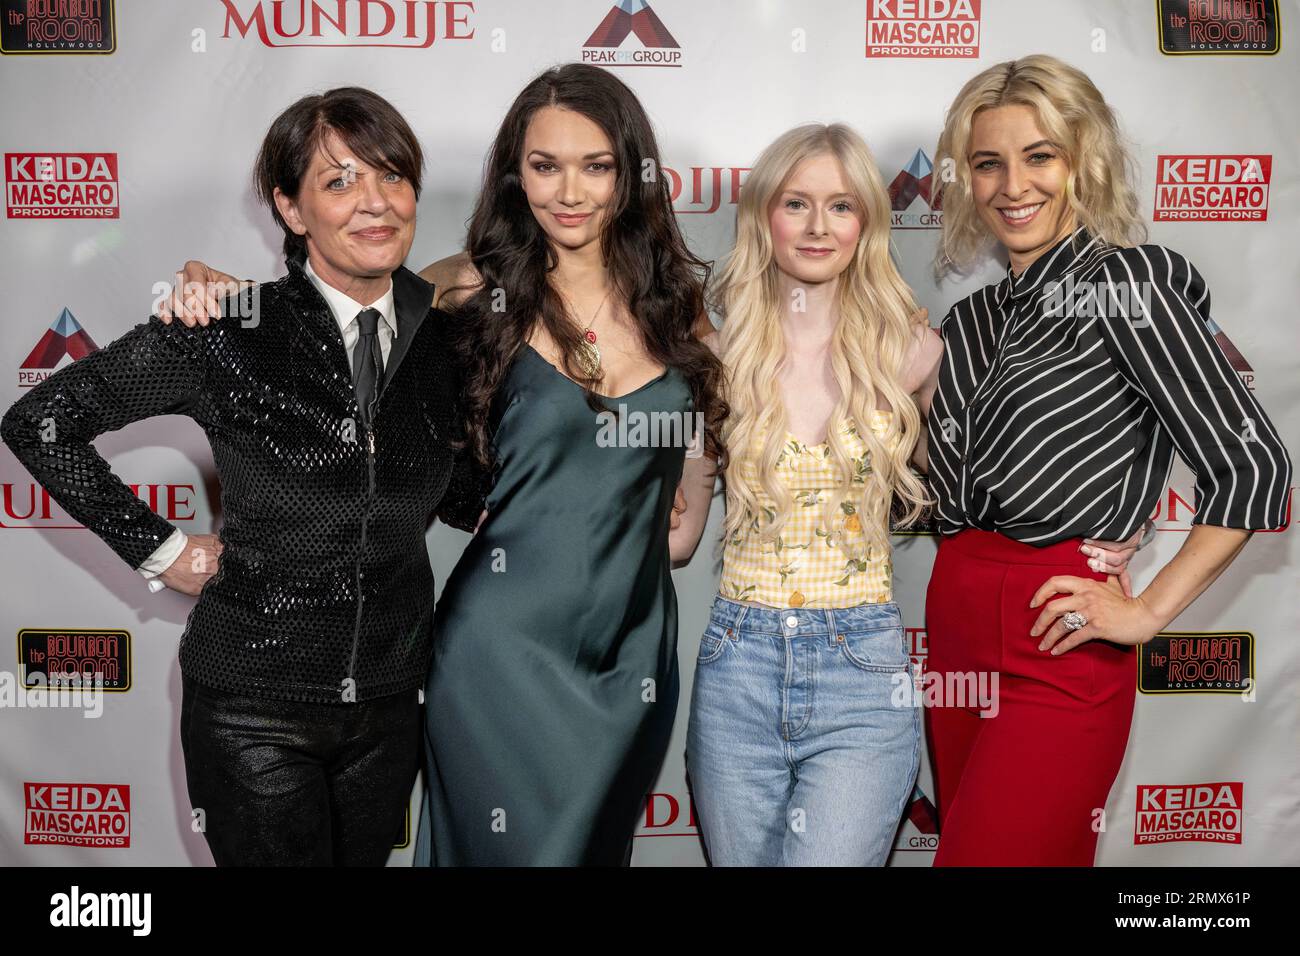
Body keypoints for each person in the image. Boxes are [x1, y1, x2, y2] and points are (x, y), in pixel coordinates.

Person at [155, 64, 726, 866]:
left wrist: (677, 488)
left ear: (630, 173)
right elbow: (325, 317)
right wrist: (223, 295)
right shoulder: (465, 291)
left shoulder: (676, 305)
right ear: (512, 173)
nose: (569, 191)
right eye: (543, 164)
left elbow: (682, 519)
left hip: (631, 654)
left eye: (595, 165)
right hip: (500, 652)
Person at [1, 87, 488, 866]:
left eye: (392, 177)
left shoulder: (444, 343)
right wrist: (164, 552)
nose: (375, 204)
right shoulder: (228, 329)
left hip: (390, 708)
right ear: (290, 211)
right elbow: (41, 423)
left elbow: (465, 497)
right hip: (252, 707)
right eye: (339, 183)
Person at [673, 124, 1142, 866]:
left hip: (862, 672)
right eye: (796, 204)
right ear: (764, 214)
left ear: (867, 223)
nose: (819, 226)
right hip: (736, 667)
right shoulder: (714, 361)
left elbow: (988, 480)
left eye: (841, 206)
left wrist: (1119, 515)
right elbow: (678, 534)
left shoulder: (918, 353)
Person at [920, 54, 1293, 866]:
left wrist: (1148, 610)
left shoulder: (1133, 285)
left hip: (1058, 634)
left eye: (1039, 156)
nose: (1013, 184)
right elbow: (928, 498)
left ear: (1082, 160)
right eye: (989, 162)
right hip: (952, 622)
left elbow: (1255, 467)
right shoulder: (970, 321)